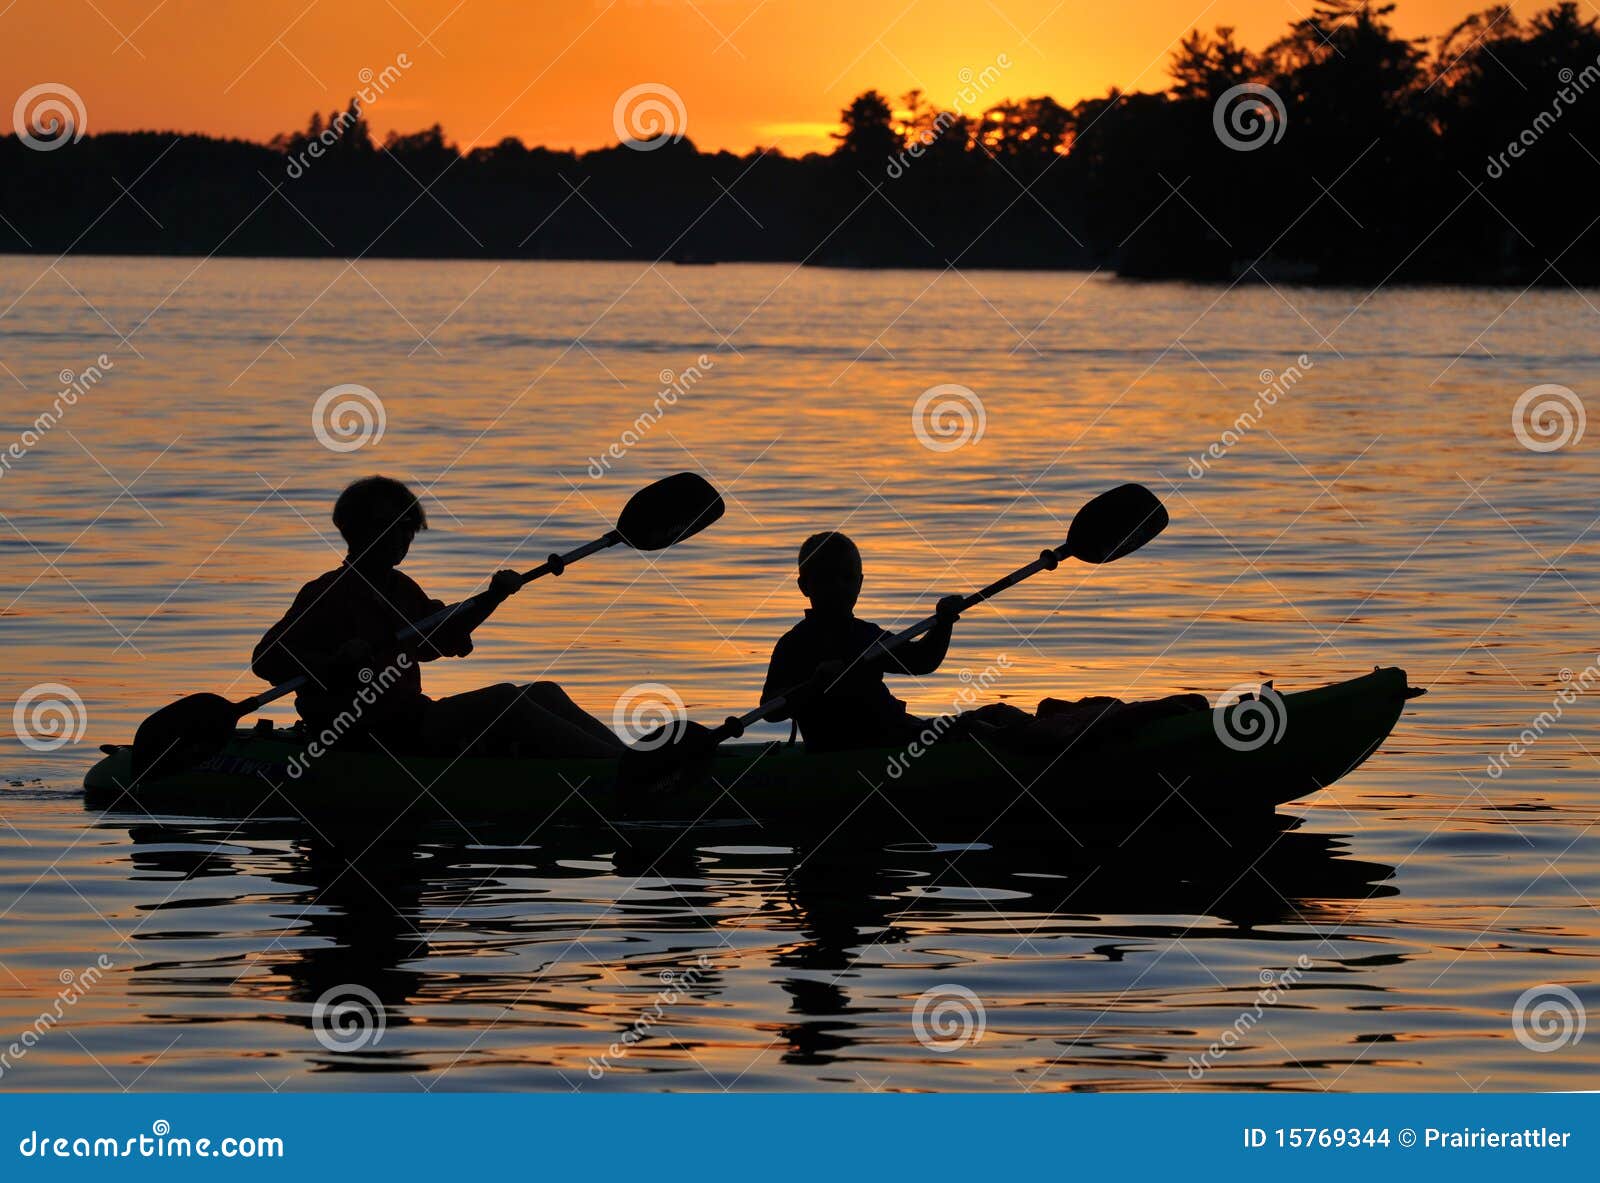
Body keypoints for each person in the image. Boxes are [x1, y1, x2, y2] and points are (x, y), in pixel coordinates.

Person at [251, 475, 622, 759]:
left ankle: (630, 759)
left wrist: (494, 598)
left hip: (410, 720)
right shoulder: (325, 594)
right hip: (360, 735)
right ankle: (623, 772)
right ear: (359, 532)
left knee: (545, 692)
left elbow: (441, 639)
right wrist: (332, 662)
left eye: (407, 529)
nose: (403, 538)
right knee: (503, 701)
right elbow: (266, 659)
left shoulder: (401, 589)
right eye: (391, 528)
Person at [761, 531, 979, 751]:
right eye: (827, 578)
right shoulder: (793, 644)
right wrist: (814, 686)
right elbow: (770, 710)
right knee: (986, 727)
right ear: (804, 586)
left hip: (903, 732)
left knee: (996, 716)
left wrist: (944, 623)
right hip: (880, 745)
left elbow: (922, 660)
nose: (839, 587)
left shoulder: (867, 635)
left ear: (860, 583)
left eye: (848, 578)